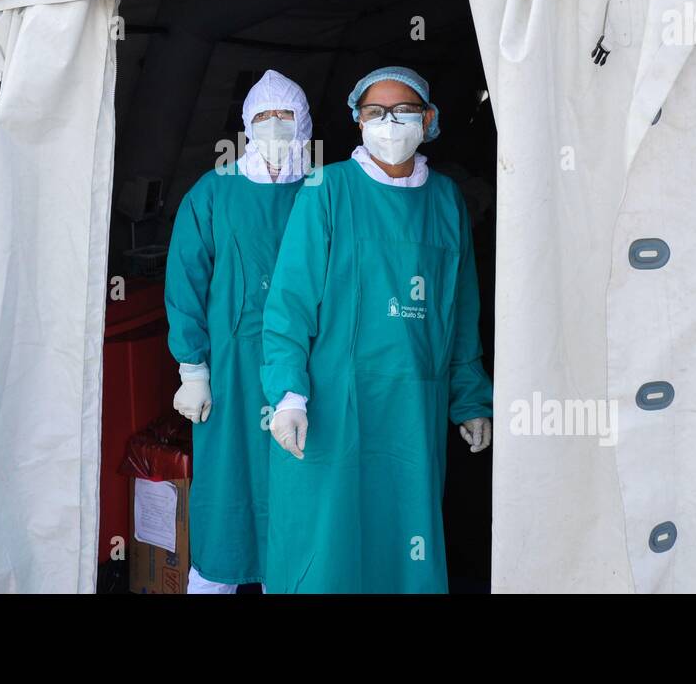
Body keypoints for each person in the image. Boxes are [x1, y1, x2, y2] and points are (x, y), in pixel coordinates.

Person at [260, 65, 493, 593]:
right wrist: (288, 394)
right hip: (333, 403)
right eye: (375, 112)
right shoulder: (327, 190)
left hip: (414, 406)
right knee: (330, 543)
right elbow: (289, 304)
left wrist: (471, 397)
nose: (390, 122)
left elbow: (459, 310)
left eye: (404, 111)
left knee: (405, 537)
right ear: (358, 122)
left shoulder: (445, 201)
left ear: (429, 119)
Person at [164, 69, 312, 594]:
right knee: (227, 488)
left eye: (285, 117)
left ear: (306, 123)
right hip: (229, 373)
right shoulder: (213, 192)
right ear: (246, 125)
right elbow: (186, 280)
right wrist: (193, 367)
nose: (274, 128)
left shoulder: (321, 190)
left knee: (297, 490)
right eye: (263, 118)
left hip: (302, 370)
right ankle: (213, 582)